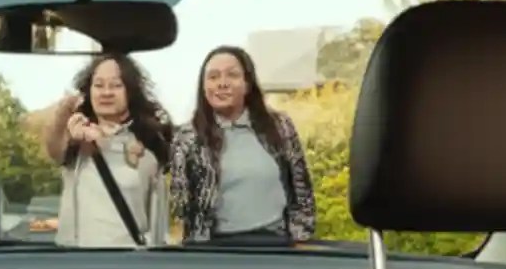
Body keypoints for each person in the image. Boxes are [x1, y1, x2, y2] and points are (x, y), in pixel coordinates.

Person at [170, 45, 316, 245]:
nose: (222, 84)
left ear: (247, 84)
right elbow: (180, 204)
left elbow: (302, 188)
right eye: (213, 77)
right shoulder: (188, 137)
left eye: (232, 75)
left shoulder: (279, 126)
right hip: (214, 247)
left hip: (275, 242)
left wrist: (300, 238)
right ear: (203, 88)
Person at [44, 53, 172, 247]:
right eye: (98, 85)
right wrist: (65, 115)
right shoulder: (76, 138)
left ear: (130, 92)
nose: (106, 93)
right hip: (74, 259)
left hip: (127, 260)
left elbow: (158, 224)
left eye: (116, 85)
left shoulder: (147, 147)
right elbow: (53, 148)